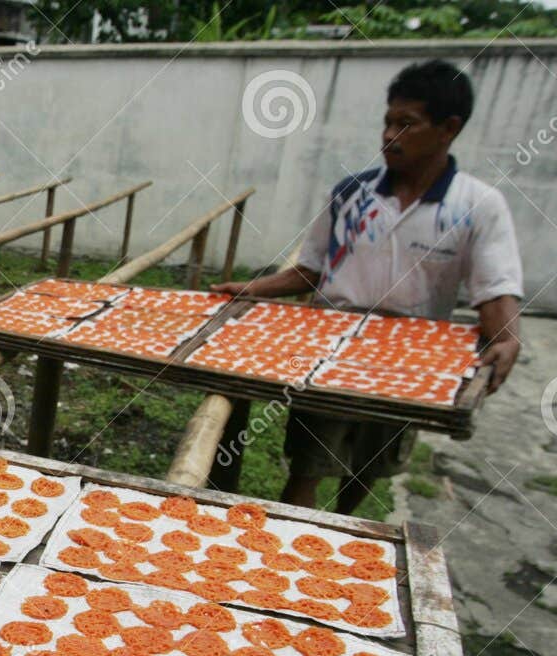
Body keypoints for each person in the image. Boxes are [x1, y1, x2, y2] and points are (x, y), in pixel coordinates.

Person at [214, 59, 523, 514]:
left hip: (409, 360)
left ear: (448, 128)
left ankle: (342, 527)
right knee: (310, 461)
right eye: (387, 121)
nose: (389, 135)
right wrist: (252, 289)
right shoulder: (352, 195)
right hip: (329, 348)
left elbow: (495, 289)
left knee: (371, 464)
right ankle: (295, 533)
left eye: (407, 124)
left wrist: (508, 338)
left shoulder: (475, 206)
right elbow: (310, 271)